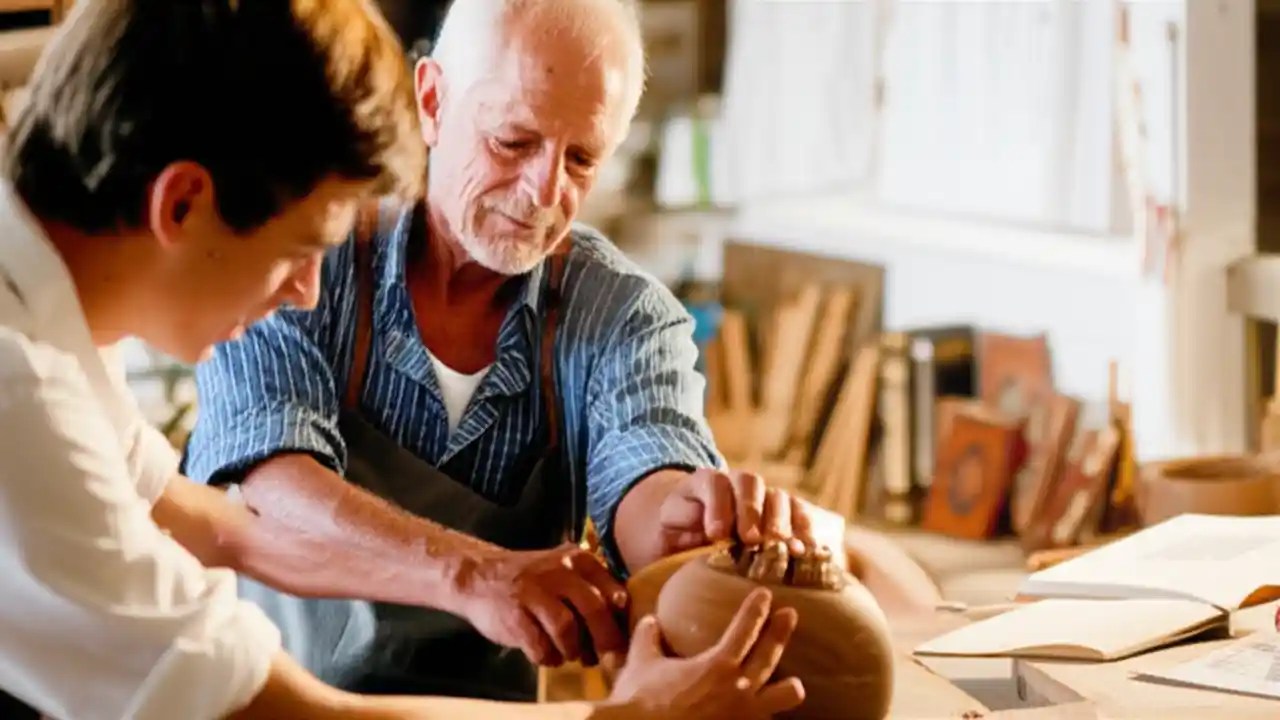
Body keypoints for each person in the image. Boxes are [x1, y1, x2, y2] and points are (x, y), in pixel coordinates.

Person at [0, 0, 806, 718]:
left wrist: (684, 520)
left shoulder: (67, 350)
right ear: (182, 204)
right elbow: (260, 707)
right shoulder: (20, 395)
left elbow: (217, 526)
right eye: (296, 252)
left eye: (581, 160)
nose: (306, 292)